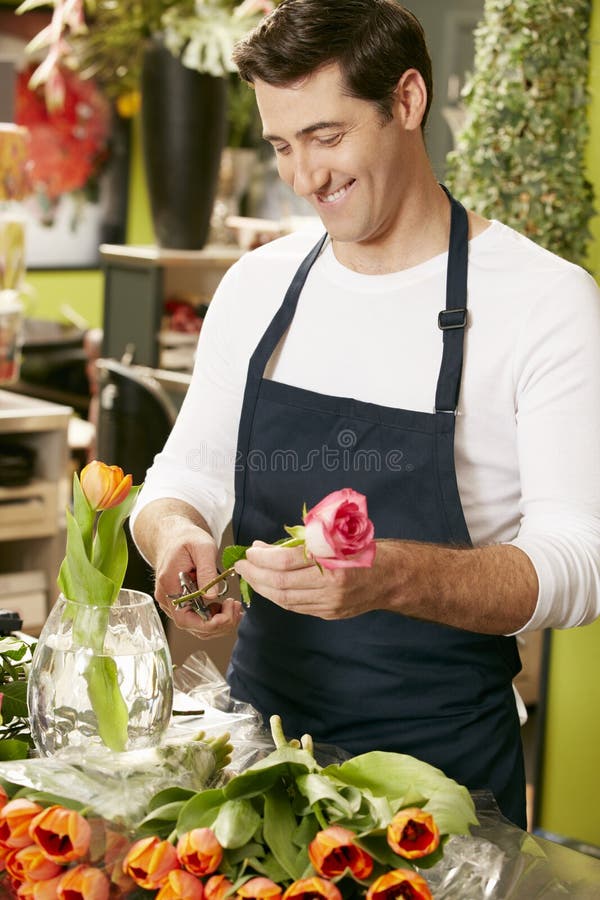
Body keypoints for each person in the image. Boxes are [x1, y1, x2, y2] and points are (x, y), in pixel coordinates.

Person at [130, 0, 600, 829]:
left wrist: (393, 576)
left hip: (444, 790)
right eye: (282, 145)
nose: (306, 178)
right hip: (258, 771)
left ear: (407, 101)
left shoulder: (545, 301)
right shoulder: (257, 287)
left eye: (327, 136)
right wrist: (175, 539)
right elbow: (184, 478)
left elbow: (581, 563)